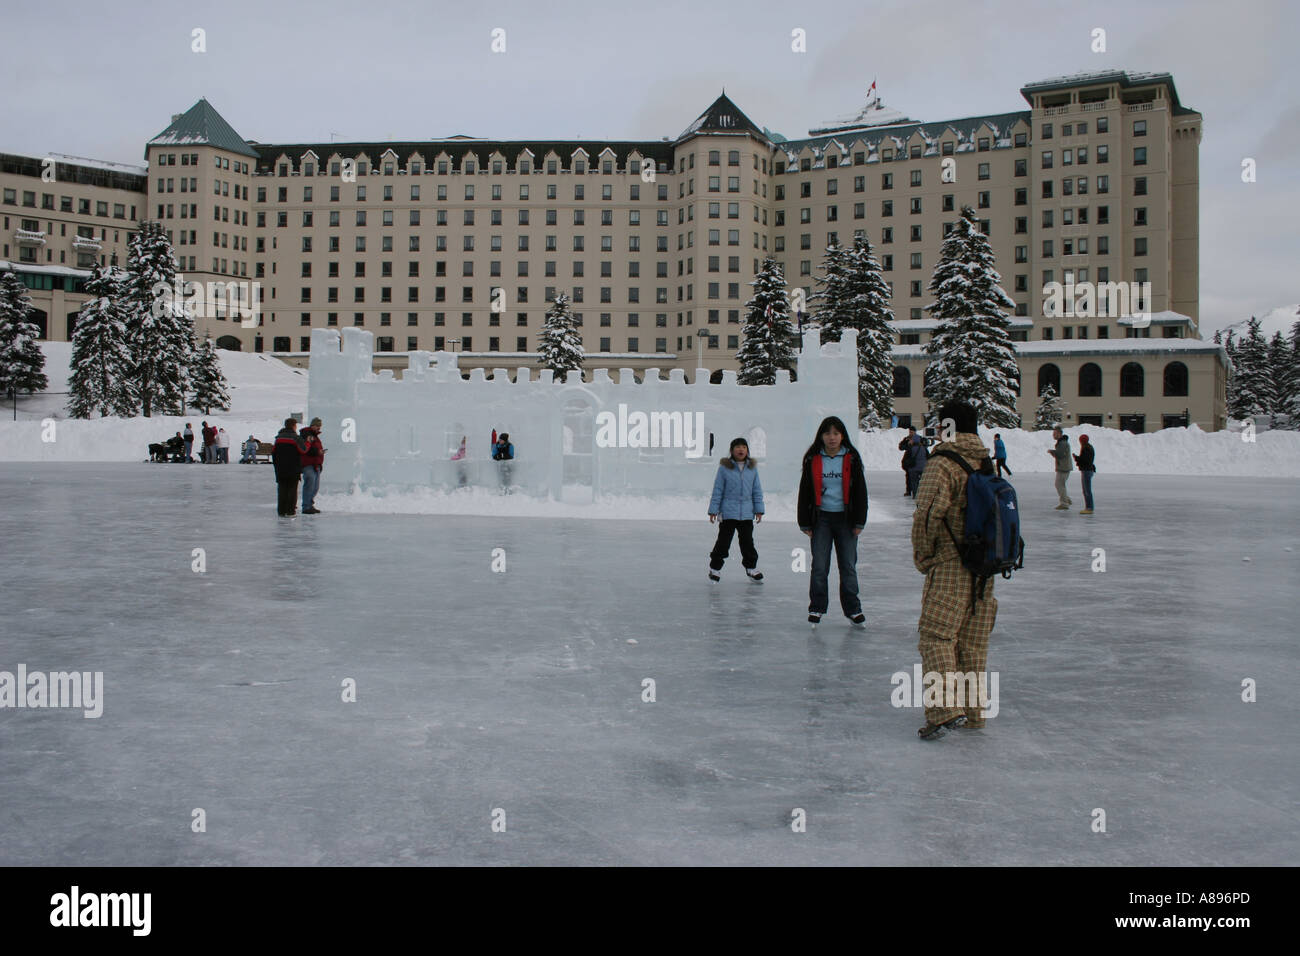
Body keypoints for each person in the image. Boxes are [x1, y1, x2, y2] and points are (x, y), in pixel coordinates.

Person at [911, 400, 998, 740]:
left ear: (946, 425)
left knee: (935, 636)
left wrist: (924, 556)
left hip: (950, 563)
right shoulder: (984, 460)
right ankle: (974, 713)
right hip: (985, 568)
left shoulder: (944, 462)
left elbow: (928, 514)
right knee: (971, 644)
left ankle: (944, 711)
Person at [797, 416, 868, 627]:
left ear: (842, 436)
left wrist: (859, 521)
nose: (832, 438)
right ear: (821, 436)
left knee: (848, 566)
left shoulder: (851, 458)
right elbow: (805, 491)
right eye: (828, 433)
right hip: (822, 520)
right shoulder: (813, 459)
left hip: (846, 520)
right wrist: (805, 522)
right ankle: (817, 607)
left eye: (836, 433)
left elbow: (860, 491)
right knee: (820, 565)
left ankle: (853, 609)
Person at [707, 437, 765, 583]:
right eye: (737, 447)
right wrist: (713, 510)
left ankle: (751, 568)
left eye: (744, 447)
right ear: (732, 450)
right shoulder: (724, 468)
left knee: (747, 543)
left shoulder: (752, 468)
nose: (741, 450)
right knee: (723, 542)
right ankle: (715, 568)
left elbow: (756, 490)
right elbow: (718, 489)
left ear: (747, 450)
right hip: (728, 512)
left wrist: (759, 510)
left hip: (746, 512)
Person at [272, 418, 307, 517]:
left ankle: (281, 511)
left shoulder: (278, 438)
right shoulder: (295, 438)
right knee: (292, 489)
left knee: (282, 489)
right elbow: (303, 450)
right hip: (293, 468)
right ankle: (290, 510)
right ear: (293, 426)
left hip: (280, 469)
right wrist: (307, 442)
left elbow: (274, 452)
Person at [300, 417, 325, 514]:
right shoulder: (307, 435)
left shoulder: (314, 436)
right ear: (313, 425)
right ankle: (306, 506)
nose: (319, 428)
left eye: (320, 426)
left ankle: (309, 504)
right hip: (309, 464)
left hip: (316, 464)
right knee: (310, 485)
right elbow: (306, 448)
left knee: (315, 487)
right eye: (318, 426)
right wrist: (318, 452)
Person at [1047, 425, 1073, 510]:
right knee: (1060, 485)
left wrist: (1052, 452)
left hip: (1064, 468)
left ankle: (1064, 503)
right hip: (1064, 467)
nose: (1053, 435)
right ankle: (1066, 499)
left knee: (1059, 485)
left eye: (1055, 433)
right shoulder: (1061, 442)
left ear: (1059, 433)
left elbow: (1060, 455)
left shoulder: (1062, 443)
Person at [1074, 434, 1096, 514]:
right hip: (1087, 470)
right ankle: (1088, 506)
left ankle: (1089, 507)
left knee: (1087, 490)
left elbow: (1085, 460)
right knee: (1086, 490)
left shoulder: (1086, 448)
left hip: (1086, 470)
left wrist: (1077, 458)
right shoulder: (1088, 447)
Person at [905, 428, 929, 497]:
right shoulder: (924, 448)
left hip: (913, 468)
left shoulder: (911, 448)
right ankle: (923, 494)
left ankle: (915, 495)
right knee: (922, 482)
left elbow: (907, 458)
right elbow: (928, 456)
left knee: (914, 482)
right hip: (923, 468)